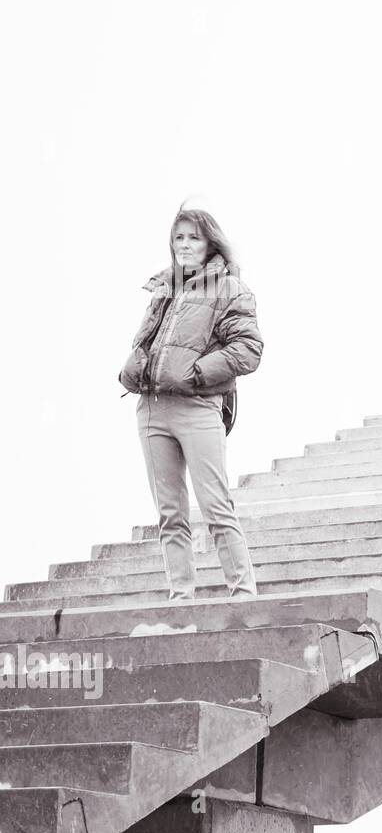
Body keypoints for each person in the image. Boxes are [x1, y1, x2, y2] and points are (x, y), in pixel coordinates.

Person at [117, 207, 264, 600]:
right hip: (152, 410)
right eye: (179, 237)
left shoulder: (230, 289)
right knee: (169, 514)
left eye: (193, 237)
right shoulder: (164, 286)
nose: (184, 245)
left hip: (198, 408)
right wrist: (130, 370)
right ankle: (181, 597)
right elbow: (146, 341)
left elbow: (248, 350)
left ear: (210, 243)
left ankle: (243, 591)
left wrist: (196, 372)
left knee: (216, 506)